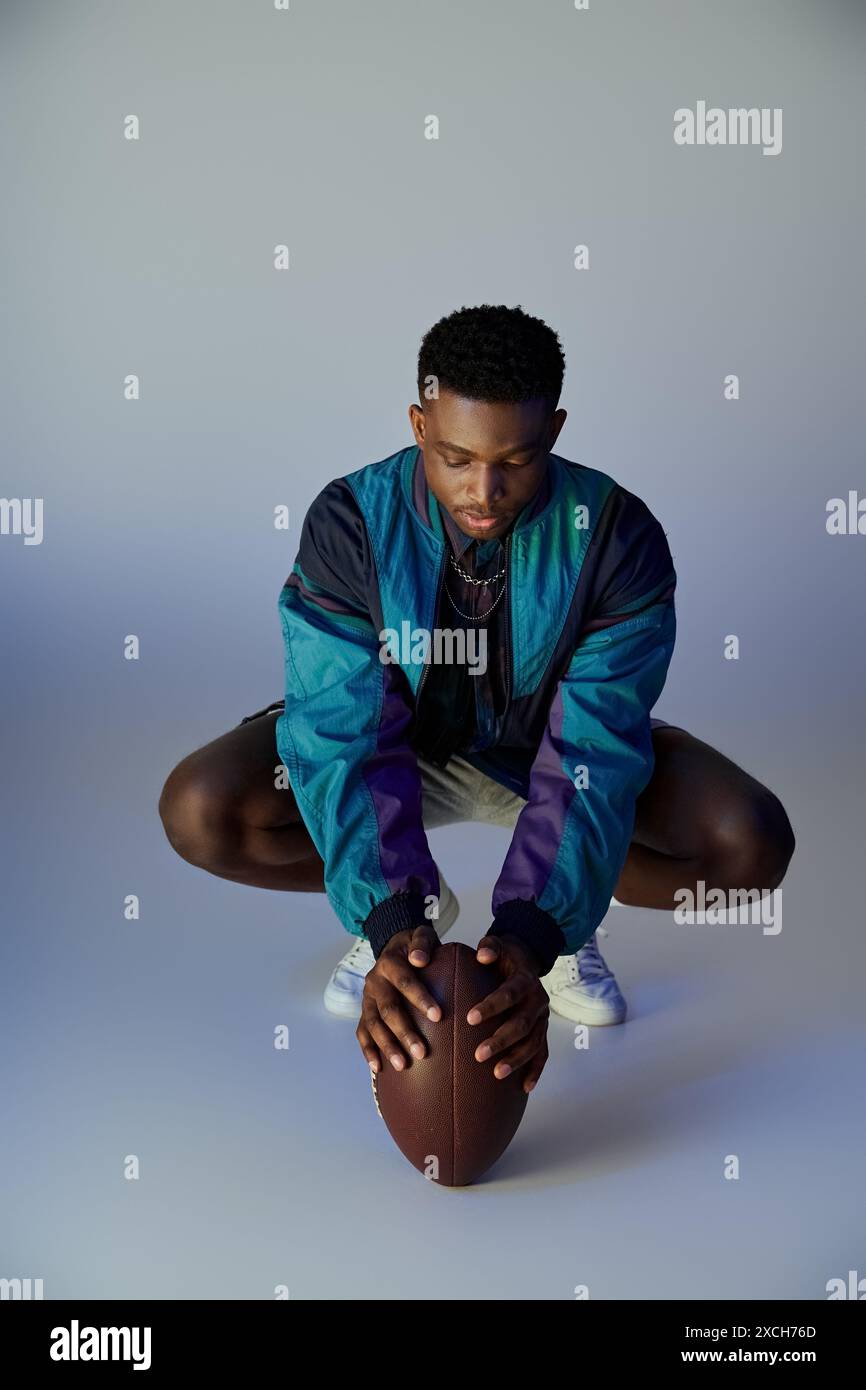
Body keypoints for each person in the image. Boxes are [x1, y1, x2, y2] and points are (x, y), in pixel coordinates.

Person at [158, 303, 795, 1096]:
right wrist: (396, 924)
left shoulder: (616, 535)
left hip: (546, 758)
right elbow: (340, 734)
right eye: (456, 457)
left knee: (749, 842)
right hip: (401, 757)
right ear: (419, 425)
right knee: (201, 809)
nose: (484, 490)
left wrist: (529, 939)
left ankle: (568, 917)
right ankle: (414, 903)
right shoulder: (351, 521)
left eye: (516, 460)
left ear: (555, 431)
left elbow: (593, 747)